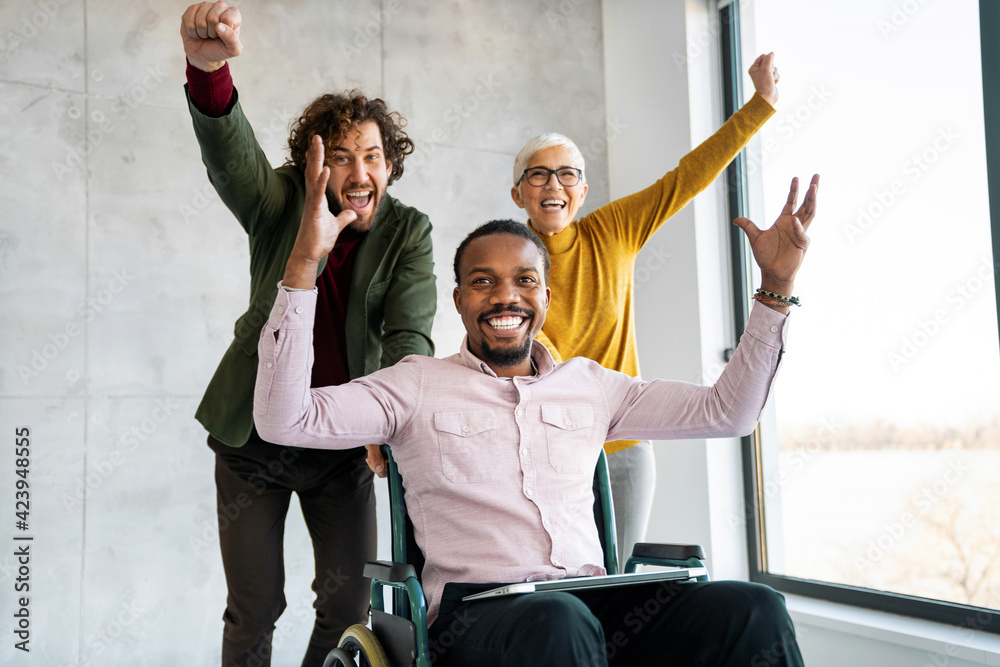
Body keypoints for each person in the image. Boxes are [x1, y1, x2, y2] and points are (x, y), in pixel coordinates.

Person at [253, 127, 818, 665]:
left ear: (545, 296)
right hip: (478, 617)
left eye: (524, 280)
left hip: (592, 607)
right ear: (457, 299)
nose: (505, 296)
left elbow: (731, 412)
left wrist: (776, 292)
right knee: (558, 619)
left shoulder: (592, 385)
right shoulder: (414, 383)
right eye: (483, 281)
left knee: (753, 608)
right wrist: (304, 265)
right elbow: (286, 419)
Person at [180, 3, 436, 666]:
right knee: (255, 607)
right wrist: (210, 73)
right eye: (342, 157)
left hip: (342, 443)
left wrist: (393, 421)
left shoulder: (408, 232)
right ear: (312, 164)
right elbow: (231, 160)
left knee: (350, 608)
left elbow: (409, 335)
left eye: (374, 157)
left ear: (390, 164)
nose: (360, 174)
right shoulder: (281, 204)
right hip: (252, 442)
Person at [502, 53, 782, 564]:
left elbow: (687, 177)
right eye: (537, 175)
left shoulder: (614, 230)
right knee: (557, 577)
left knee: (618, 583)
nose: (553, 185)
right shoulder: (504, 257)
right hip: (547, 451)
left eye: (567, 175)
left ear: (582, 191)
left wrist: (759, 106)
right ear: (518, 192)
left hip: (623, 448)